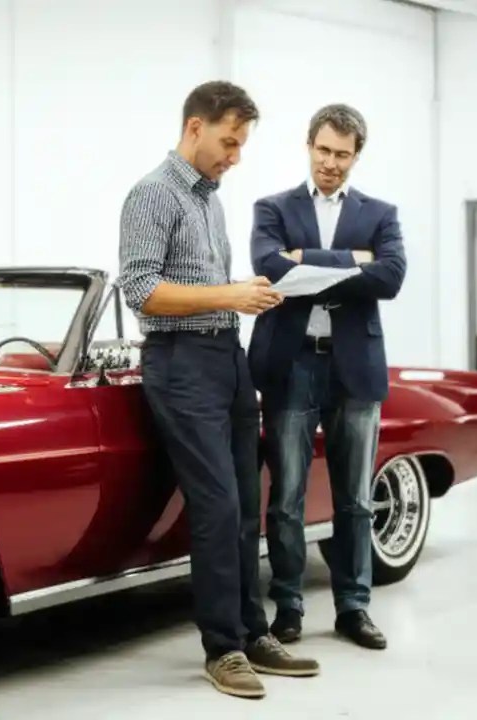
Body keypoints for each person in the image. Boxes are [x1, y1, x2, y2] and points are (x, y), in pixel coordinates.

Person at [116, 80, 320, 700]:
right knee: (216, 506)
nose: (235, 156)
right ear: (194, 127)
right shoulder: (152, 195)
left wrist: (243, 293)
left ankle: (252, 633)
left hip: (225, 360)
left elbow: (196, 287)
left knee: (243, 509)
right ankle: (222, 648)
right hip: (181, 364)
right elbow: (141, 289)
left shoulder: (210, 201)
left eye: (241, 145)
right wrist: (232, 294)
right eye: (229, 142)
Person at [247, 103, 407, 651]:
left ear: (356, 155)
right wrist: (350, 263)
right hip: (293, 363)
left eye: (342, 154)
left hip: (354, 368)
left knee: (356, 499)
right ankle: (288, 606)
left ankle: (354, 607)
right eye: (323, 151)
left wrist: (308, 262)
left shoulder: (381, 213)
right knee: (287, 496)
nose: (331, 163)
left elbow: (390, 276)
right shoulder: (272, 207)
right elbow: (270, 266)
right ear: (308, 145)